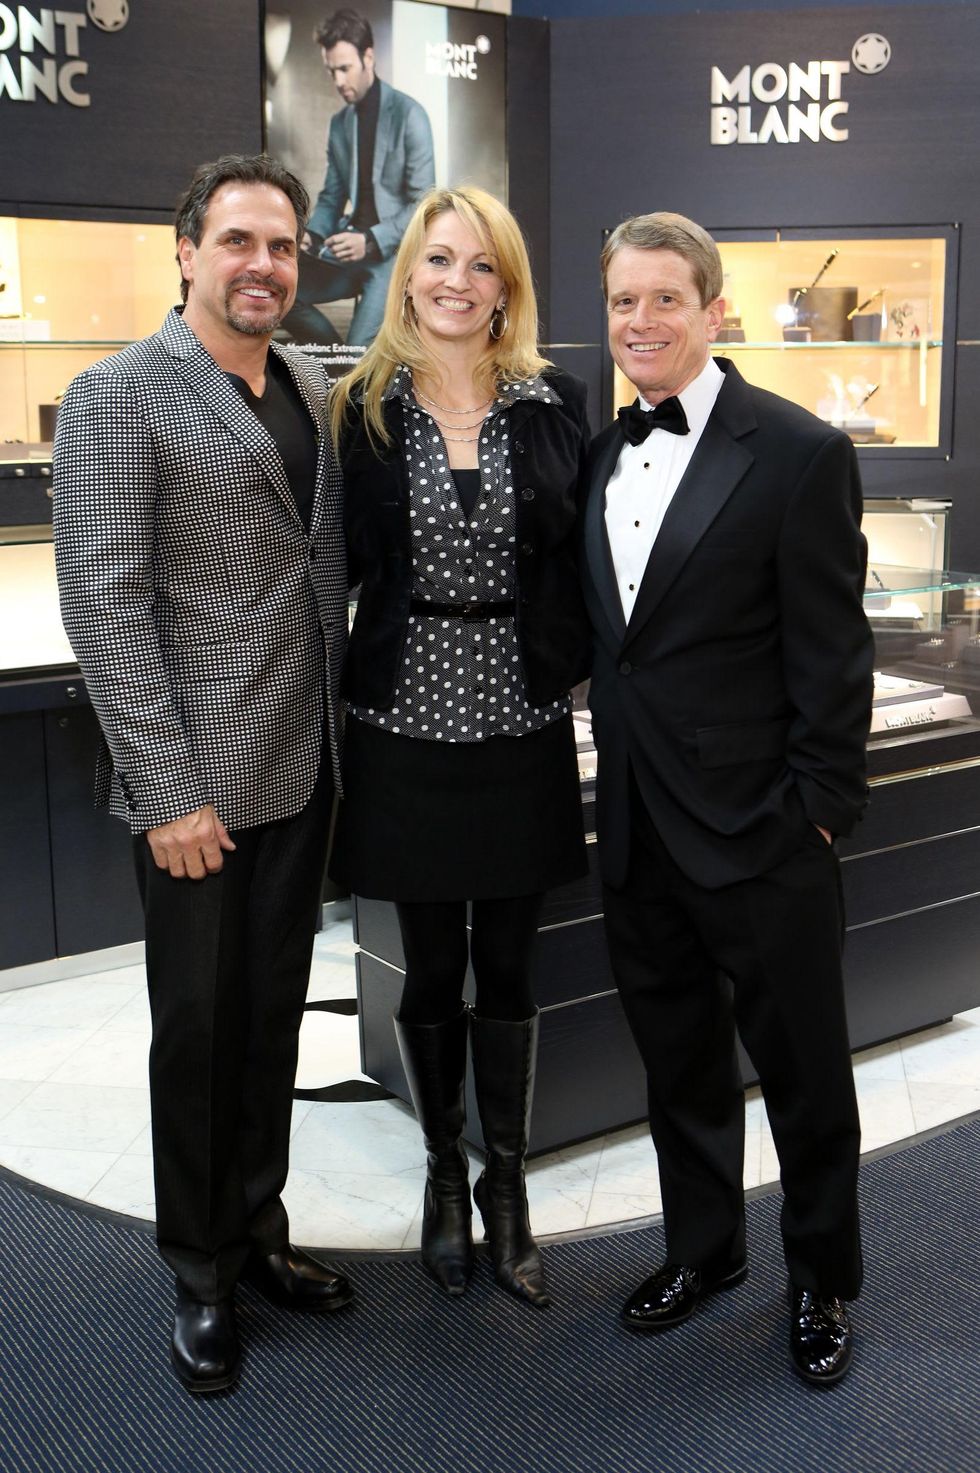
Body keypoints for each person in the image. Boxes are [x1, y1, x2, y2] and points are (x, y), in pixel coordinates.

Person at [52, 154, 352, 1395]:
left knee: (271, 1021)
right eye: (236, 241)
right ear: (185, 251)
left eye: (280, 246)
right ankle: (200, 1272)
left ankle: (259, 1229)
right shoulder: (119, 393)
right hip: (199, 791)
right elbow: (105, 601)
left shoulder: (314, 387)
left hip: (304, 761)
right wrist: (167, 791)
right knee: (198, 1033)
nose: (261, 266)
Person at [582, 212, 874, 1384]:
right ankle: (704, 1253)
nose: (639, 323)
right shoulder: (603, 451)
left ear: (713, 311)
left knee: (804, 1072)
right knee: (677, 1061)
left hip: (762, 828)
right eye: (620, 303)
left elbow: (830, 652)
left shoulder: (798, 451)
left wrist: (819, 808)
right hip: (638, 826)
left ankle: (819, 1281)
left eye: (663, 300)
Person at [328, 186, 591, 1308]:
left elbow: (586, 562)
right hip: (400, 725)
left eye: (480, 267)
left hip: (521, 721)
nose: (455, 282)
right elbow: (330, 568)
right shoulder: (359, 407)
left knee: (514, 969)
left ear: (506, 287)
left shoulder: (553, 403)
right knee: (432, 970)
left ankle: (509, 1186)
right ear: (408, 275)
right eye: (437, 260)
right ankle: (445, 1175)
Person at [282, 8, 435, 349]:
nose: (338, 81)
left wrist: (370, 240)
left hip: (392, 256)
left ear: (368, 57)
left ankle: (350, 362)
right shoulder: (340, 124)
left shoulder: (410, 116)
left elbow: (425, 204)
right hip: (348, 250)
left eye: (345, 69)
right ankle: (339, 362)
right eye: (331, 70)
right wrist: (314, 233)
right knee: (281, 292)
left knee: (360, 349)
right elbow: (333, 194)